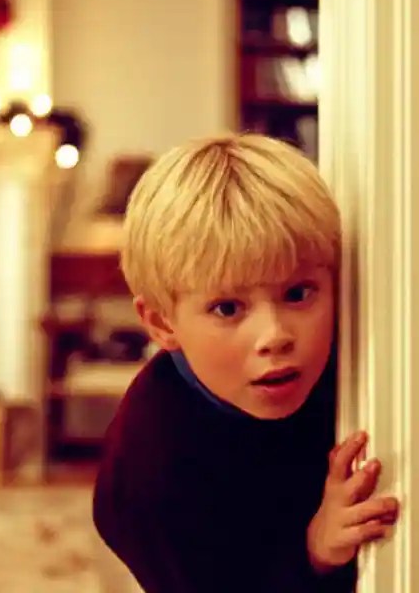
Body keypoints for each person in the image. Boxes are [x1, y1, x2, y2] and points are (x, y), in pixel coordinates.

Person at [93, 133, 401, 592]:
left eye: (297, 294)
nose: (275, 335)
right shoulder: (149, 470)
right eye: (228, 309)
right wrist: (313, 553)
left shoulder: (349, 362)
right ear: (162, 323)